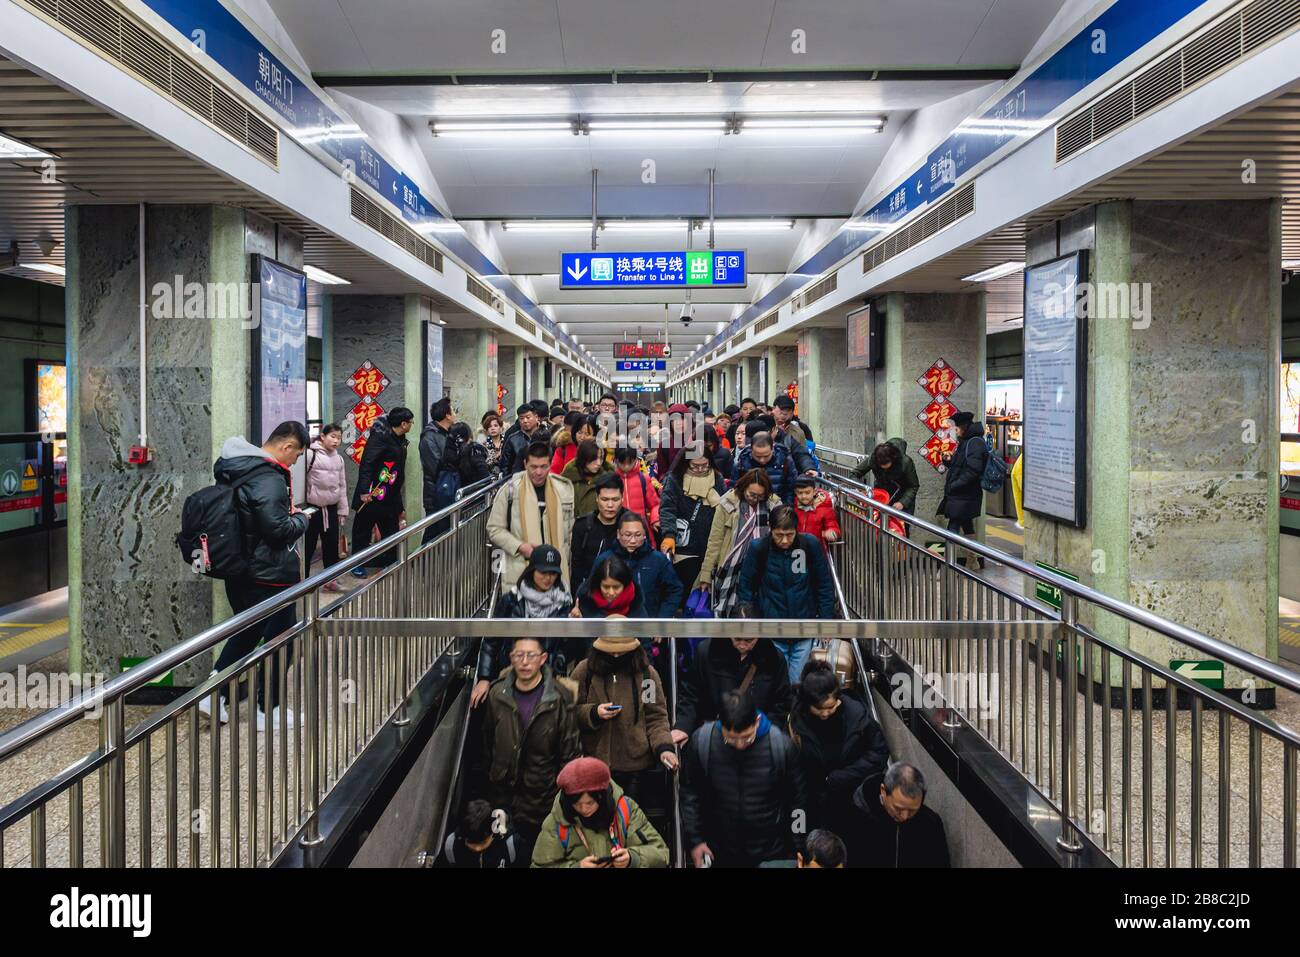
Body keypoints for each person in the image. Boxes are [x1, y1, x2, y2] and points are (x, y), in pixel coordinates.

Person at [203, 422, 311, 727]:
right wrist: (302, 519)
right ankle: (269, 709)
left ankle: (215, 693)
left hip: (239, 569)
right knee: (282, 640)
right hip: (269, 574)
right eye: (298, 455)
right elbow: (277, 529)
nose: (295, 461)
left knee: (247, 633)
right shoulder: (268, 477)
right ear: (287, 446)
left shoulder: (236, 467)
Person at [680, 689, 808, 868]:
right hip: (718, 849)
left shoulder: (782, 746)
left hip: (770, 851)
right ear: (720, 723)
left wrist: (799, 845)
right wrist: (695, 841)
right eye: (731, 739)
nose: (740, 745)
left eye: (746, 738)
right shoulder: (703, 742)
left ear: (756, 722)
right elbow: (689, 795)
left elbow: (798, 803)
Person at [479, 637, 581, 854]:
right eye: (519, 655)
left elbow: (570, 754)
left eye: (531, 655)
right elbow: (486, 746)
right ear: (511, 658)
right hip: (502, 798)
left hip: (541, 799)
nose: (525, 662)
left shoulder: (558, 699)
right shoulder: (497, 695)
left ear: (543, 659)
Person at [568, 628, 678, 807]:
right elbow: (566, 712)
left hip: (635, 766)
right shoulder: (583, 671)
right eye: (610, 650)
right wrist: (593, 713)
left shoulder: (647, 675)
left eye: (621, 650)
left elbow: (656, 717)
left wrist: (664, 748)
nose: (616, 655)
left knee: (630, 823)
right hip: (593, 762)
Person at [736, 505, 838, 683]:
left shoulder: (810, 544)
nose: (784, 541)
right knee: (773, 683)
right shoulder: (759, 548)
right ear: (770, 528)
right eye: (779, 535)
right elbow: (746, 587)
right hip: (771, 628)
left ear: (796, 530)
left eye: (789, 535)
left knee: (796, 683)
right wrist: (749, 622)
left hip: (804, 627)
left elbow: (824, 584)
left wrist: (826, 620)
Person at [788, 659, 889, 830]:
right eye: (819, 709)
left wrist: (843, 776)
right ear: (808, 703)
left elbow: (879, 751)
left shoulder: (856, 715)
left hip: (849, 796)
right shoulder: (797, 719)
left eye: (831, 707)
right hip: (812, 800)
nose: (825, 713)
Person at [531, 756, 669, 868]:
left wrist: (633, 858)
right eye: (577, 804)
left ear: (601, 797)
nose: (584, 809)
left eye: (590, 803)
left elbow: (661, 854)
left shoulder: (625, 810)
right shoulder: (557, 822)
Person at [486, 441, 576, 595]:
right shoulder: (510, 492)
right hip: (521, 569)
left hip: (556, 571)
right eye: (534, 467)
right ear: (525, 464)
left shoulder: (563, 490)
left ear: (550, 464)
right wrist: (520, 546)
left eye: (544, 466)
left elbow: (569, 532)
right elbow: (494, 529)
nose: (539, 472)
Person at [696, 468, 782, 618]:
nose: (755, 499)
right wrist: (705, 575)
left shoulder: (773, 505)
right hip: (732, 567)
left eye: (760, 496)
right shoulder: (728, 503)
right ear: (743, 488)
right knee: (732, 613)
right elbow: (715, 541)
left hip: (765, 568)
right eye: (751, 494)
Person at [672, 636, 791, 743]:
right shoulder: (706, 652)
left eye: (749, 640)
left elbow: (782, 702)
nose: (742, 644)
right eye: (737, 639)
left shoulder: (773, 657)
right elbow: (691, 694)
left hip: (757, 737)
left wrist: (762, 729)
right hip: (714, 736)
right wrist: (683, 726)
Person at [659, 433, 726, 610]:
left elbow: (723, 510)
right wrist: (669, 534)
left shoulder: (717, 480)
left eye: (704, 466)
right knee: (684, 592)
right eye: (694, 466)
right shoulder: (674, 480)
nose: (700, 470)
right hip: (683, 547)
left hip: (709, 544)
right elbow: (667, 509)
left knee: (705, 596)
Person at [840, 764, 951, 868]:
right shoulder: (857, 815)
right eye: (898, 809)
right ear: (883, 791)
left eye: (913, 810)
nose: (904, 816)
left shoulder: (930, 823)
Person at [350, 407, 413, 578]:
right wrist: (364, 491)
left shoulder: (400, 439)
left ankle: (391, 562)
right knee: (362, 530)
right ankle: (356, 564)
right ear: (403, 423)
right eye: (411, 422)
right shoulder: (380, 437)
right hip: (373, 494)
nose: (412, 425)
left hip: (390, 494)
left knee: (390, 529)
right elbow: (367, 463)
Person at [594, 511, 682, 619]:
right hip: (612, 625)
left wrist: (662, 620)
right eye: (627, 535)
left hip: (649, 625)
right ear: (618, 534)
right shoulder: (604, 560)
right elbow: (591, 592)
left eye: (638, 535)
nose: (633, 540)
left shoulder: (658, 560)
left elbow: (674, 590)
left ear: (645, 535)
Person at [937, 411, 987, 568]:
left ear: (964, 426)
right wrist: (948, 461)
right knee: (967, 524)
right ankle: (972, 560)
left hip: (965, 493)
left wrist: (955, 484)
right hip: (962, 494)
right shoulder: (966, 442)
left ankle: (948, 564)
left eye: (956, 427)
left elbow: (974, 470)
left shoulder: (975, 443)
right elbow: (962, 466)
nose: (955, 430)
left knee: (952, 527)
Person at [303, 423, 349, 591]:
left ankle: (331, 580)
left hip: (330, 509)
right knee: (308, 546)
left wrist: (342, 510)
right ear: (322, 436)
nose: (336, 441)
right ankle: (304, 582)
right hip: (311, 509)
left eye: (339, 438)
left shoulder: (339, 459)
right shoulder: (310, 455)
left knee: (331, 547)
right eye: (333, 436)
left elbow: (342, 485)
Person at [569, 472, 626, 592]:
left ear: (622, 498)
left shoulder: (631, 525)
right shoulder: (583, 526)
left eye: (615, 499)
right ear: (597, 498)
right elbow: (576, 568)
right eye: (605, 499)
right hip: (591, 593)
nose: (610, 505)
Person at [435, 799, 523, 869]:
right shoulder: (452, 846)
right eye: (470, 844)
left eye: (482, 844)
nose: (476, 849)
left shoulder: (511, 846)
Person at [419, 397, 457, 542]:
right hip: (436, 492)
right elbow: (435, 466)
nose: (455, 413)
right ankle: (421, 563)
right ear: (447, 415)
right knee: (432, 533)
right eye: (453, 410)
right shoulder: (429, 436)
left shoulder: (450, 433)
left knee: (444, 533)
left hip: (450, 491)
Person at [852, 438, 920, 518]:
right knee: (878, 523)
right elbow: (854, 474)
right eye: (880, 465)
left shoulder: (906, 462)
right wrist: (861, 490)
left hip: (902, 496)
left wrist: (903, 502)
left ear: (893, 458)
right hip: (882, 496)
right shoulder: (873, 458)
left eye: (886, 464)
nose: (883, 467)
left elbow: (913, 486)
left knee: (900, 527)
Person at [574, 554, 648, 619]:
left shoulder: (636, 605)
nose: (611, 592)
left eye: (616, 587)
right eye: (606, 587)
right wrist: (577, 624)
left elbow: (645, 633)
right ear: (598, 585)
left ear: (625, 586)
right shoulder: (584, 604)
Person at [732, 431, 798, 504]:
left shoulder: (785, 461)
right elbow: (735, 489)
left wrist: (784, 509)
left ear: (772, 448)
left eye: (766, 456)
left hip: (778, 507)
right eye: (758, 456)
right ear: (751, 450)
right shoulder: (742, 463)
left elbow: (791, 490)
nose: (762, 460)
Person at [560, 438, 615, 518]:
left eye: (601, 458)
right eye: (594, 459)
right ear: (584, 457)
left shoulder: (608, 478)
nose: (598, 463)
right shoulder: (567, 480)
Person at [772, 395, 817, 474]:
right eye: (781, 412)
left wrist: (808, 468)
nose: (783, 416)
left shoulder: (798, 432)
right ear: (773, 409)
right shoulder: (765, 426)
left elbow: (802, 455)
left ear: (792, 413)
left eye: (787, 413)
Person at [793, 475, 841, 549]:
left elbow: (832, 525)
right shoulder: (794, 506)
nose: (803, 496)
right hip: (797, 548)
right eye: (800, 493)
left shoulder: (824, 507)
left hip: (817, 548)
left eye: (807, 492)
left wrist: (831, 532)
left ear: (814, 491)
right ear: (795, 492)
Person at [499, 403, 546, 475]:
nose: (525, 421)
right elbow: (505, 466)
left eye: (528, 417)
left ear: (536, 417)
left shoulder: (546, 435)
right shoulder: (512, 439)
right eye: (521, 418)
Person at [480, 412, 505, 476]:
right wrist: (495, 457)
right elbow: (483, 464)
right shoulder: (483, 445)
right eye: (489, 426)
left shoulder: (507, 441)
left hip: (506, 477)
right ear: (486, 430)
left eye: (496, 426)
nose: (493, 428)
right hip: (490, 479)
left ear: (501, 428)